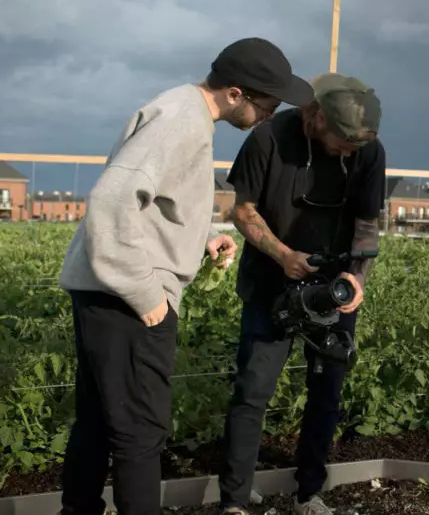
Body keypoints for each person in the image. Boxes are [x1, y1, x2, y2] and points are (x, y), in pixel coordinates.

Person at [57, 37, 315, 515]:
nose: (267, 116)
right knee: (140, 431)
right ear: (235, 93)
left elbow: (153, 202)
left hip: (106, 292)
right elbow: (112, 201)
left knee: (98, 422)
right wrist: (146, 295)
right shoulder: (180, 121)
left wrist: (199, 239)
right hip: (127, 298)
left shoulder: (183, 112)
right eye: (267, 104)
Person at [215, 72, 386, 515]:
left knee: (327, 389)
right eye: (343, 141)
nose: (350, 151)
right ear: (315, 117)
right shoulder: (269, 137)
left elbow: (368, 222)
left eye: (357, 145)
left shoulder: (368, 151)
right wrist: (282, 254)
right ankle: (234, 499)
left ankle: (309, 492)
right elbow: (243, 209)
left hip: (334, 285)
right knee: (253, 389)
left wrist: (358, 278)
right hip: (271, 282)